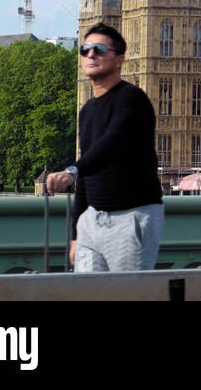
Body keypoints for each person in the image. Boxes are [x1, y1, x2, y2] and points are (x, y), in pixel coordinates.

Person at [45, 23, 164, 272]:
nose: (90, 54)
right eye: (85, 49)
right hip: (92, 220)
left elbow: (113, 143)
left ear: (119, 59)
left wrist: (72, 171)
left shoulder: (133, 99)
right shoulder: (87, 110)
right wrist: (76, 232)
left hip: (130, 216)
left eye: (99, 49)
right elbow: (87, 173)